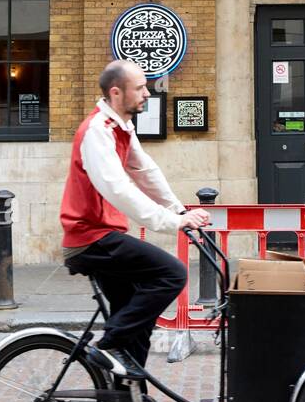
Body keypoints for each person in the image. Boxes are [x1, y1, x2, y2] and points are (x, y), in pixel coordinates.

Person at [60, 59, 211, 385]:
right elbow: (119, 190)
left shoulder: (120, 128)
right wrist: (172, 222)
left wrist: (179, 210)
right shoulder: (96, 132)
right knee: (172, 274)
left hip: (104, 235)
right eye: (139, 88)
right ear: (117, 93)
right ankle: (109, 344)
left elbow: (145, 172)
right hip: (90, 238)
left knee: (139, 319)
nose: (147, 93)